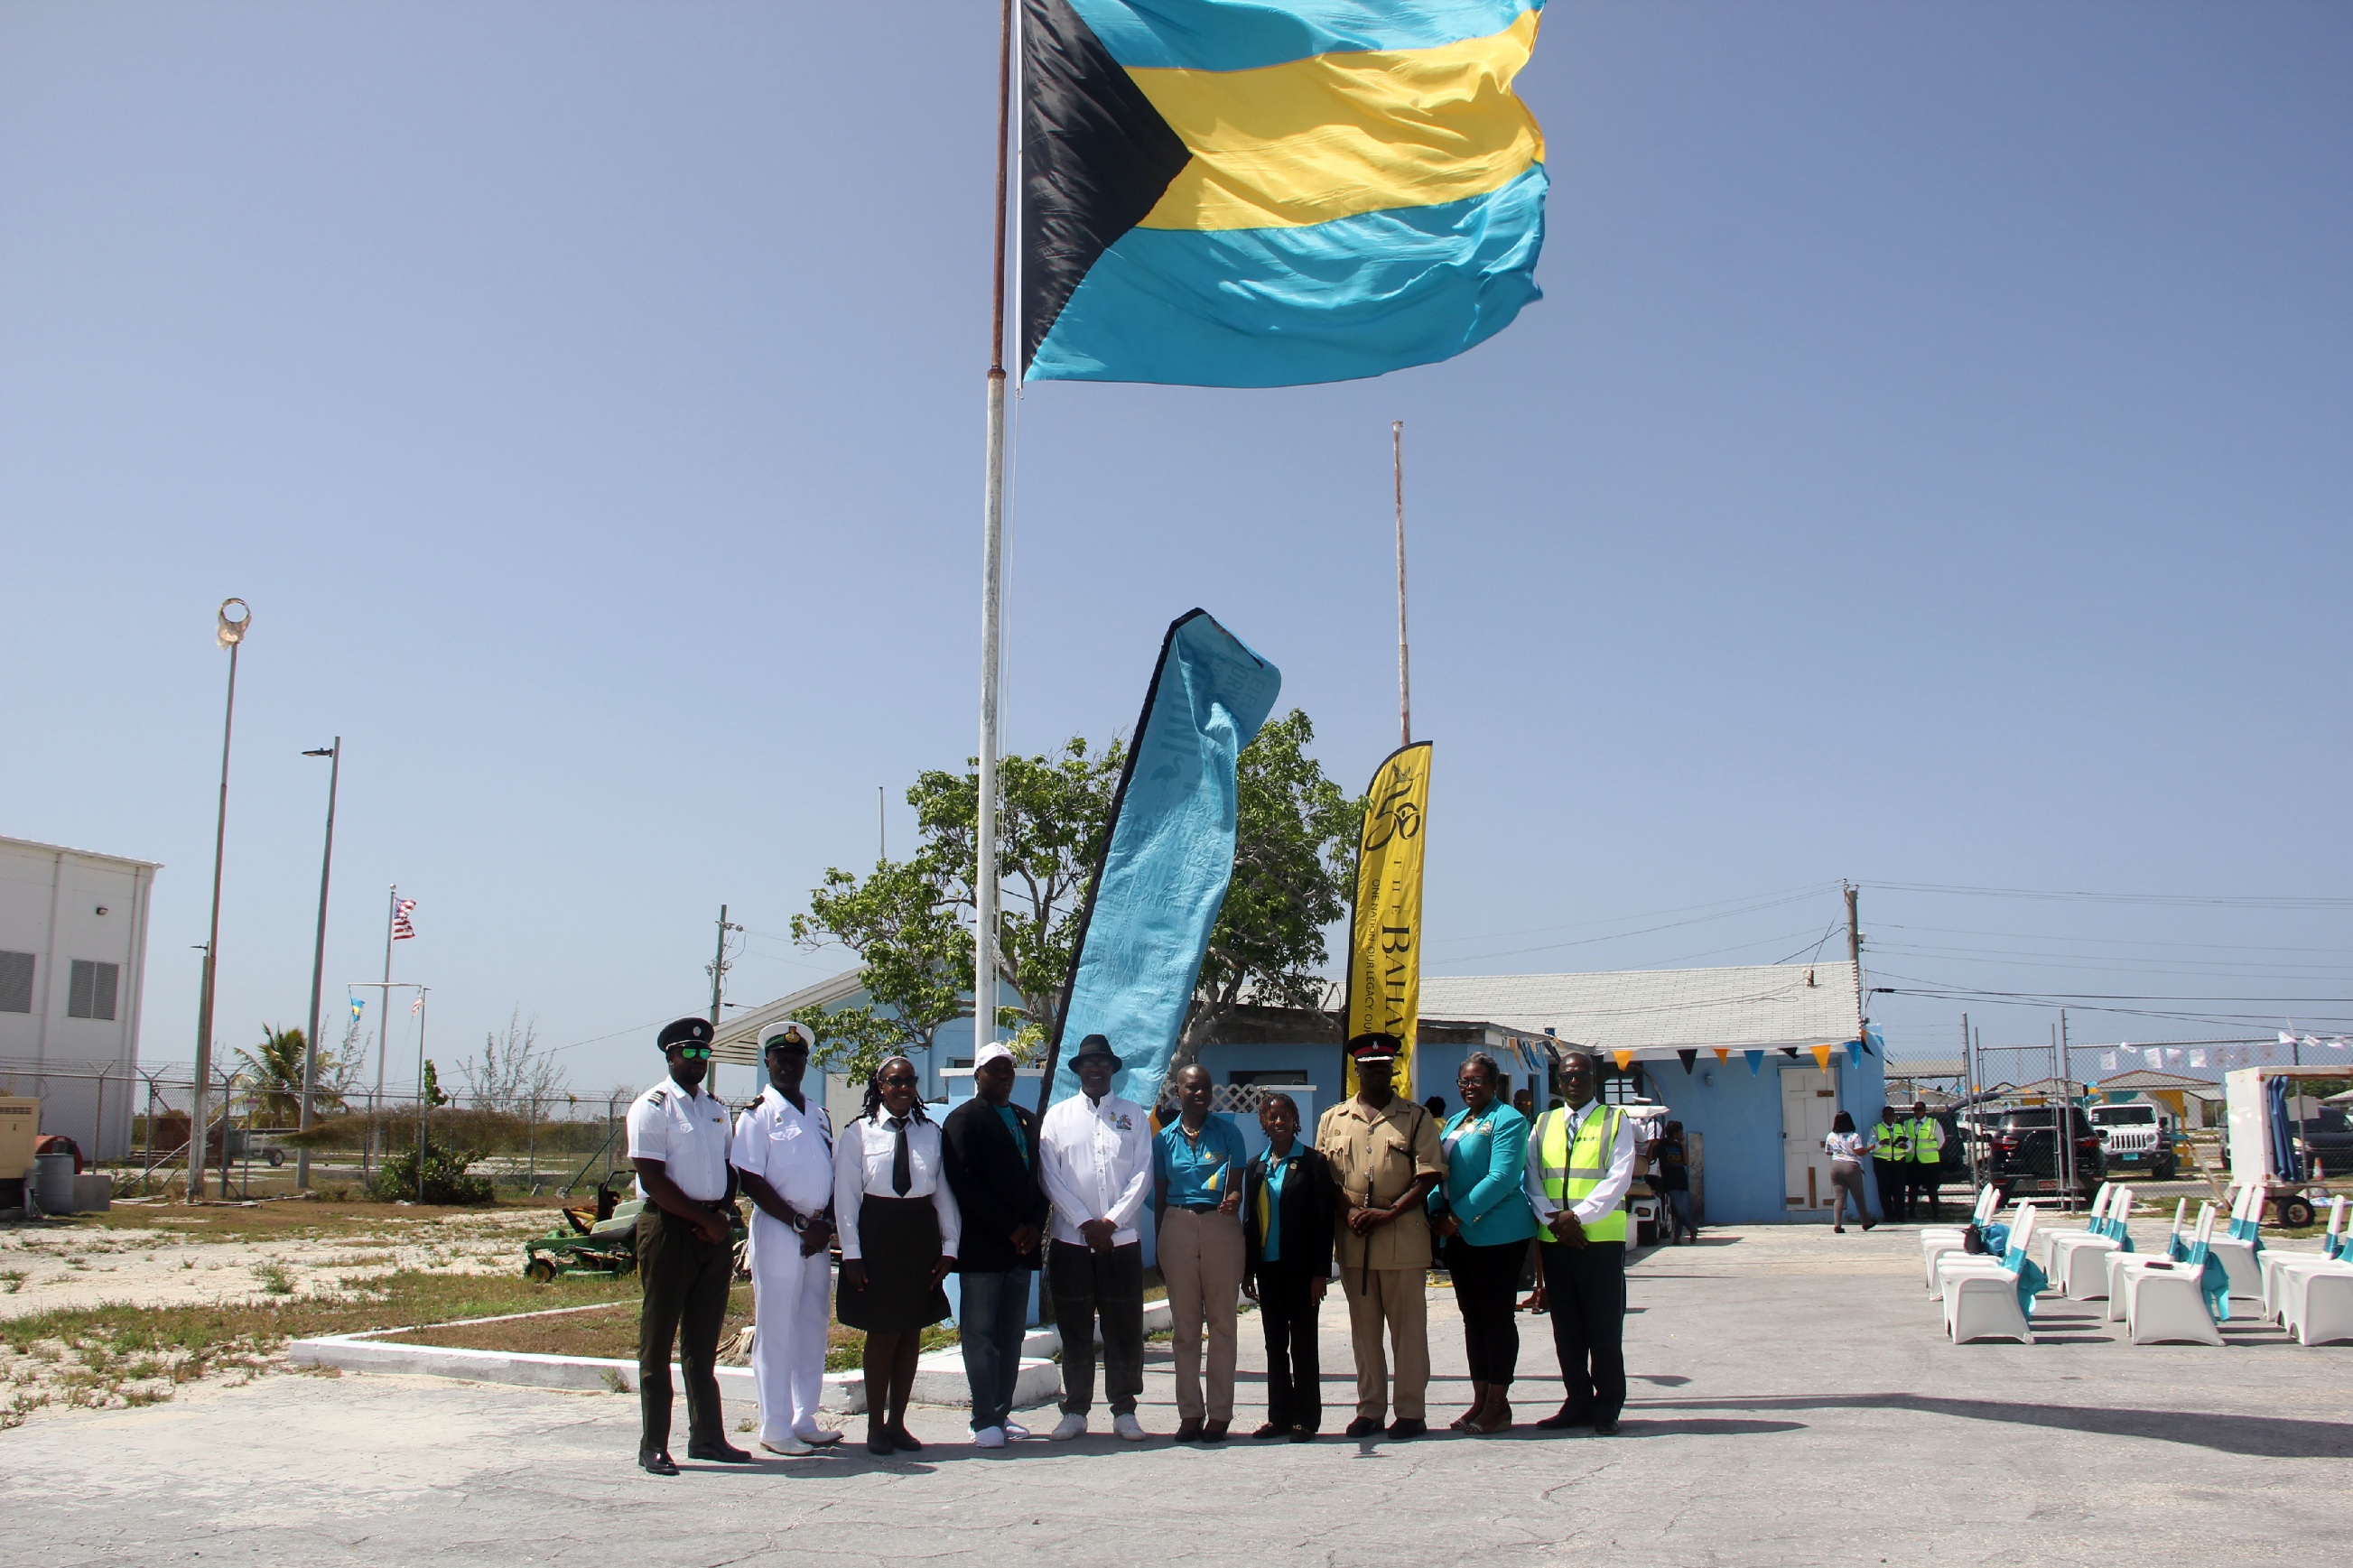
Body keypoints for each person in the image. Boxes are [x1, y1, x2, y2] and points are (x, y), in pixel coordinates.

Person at [627, 1016, 749, 1474]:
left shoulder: (715, 1108)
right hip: (668, 1229)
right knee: (658, 1339)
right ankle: (653, 1443)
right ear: (670, 1057)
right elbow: (653, 1179)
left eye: (704, 1054)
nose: (697, 1061)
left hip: (710, 1228)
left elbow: (728, 1167)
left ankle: (708, 1438)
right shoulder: (652, 1107)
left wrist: (719, 1216)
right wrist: (703, 1219)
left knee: (703, 1341)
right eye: (688, 1053)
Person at [1316, 1032, 1444, 1440]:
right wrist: (1351, 1211)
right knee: (1364, 1333)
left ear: (1393, 1070)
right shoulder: (1332, 1119)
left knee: (1408, 1334)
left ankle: (1410, 1411)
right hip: (1355, 1240)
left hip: (1402, 1239)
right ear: (1357, 1071)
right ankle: (1370, 1409)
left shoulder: (1417, 1118)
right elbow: (1325, 1180)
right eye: (1368, 1068)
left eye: (1383, 1068)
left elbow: (1428, 1178)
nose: (1376, 1074)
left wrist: (1388, 1213)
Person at [834, 1056, 961, 1457]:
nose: (903, 1087)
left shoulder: (930, 1133)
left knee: (911, 1331)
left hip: (918, 1237)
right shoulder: (858, 1134)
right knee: (883, 1332)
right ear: (880, 1085)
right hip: (877, 1236)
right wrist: (851, 1254)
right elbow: (846, 1199)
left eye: (910, 1080)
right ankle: (875, 1426)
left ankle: (898, 1424)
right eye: (894, 1081)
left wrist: (950, 1246)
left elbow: (943, 1193)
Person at [730, 1024, 842, 1457]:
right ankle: (774, 1425)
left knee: (813, 1325)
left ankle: (803, 1416)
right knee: (776, 1326)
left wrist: (824, 1222)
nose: (790, 1065)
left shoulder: (817, 1113)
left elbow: (827, 1172)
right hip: (780, 1231)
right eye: (782, 1058)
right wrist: (798, 1222)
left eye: (797, 1059)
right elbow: (750, 1179)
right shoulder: (757, 1114)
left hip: (815, 1234)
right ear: (768, 1062)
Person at [1037, 1034, 1152, 1443]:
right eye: (1089, 1064)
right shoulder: (1057, 1118)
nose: (1096, 1069)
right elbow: (1050, 1178)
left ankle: (1124, 1409)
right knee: (1074, 1329)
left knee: (1123, 1327)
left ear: (1112, 1070)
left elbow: (1142, 1175)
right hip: (1072, 1243)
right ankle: (1076, 1410)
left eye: (1103, 1063)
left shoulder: (1133, 1116)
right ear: (1079, 1071)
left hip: (1121, 1243)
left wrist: (1111, 1223)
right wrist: (1087, 1223)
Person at [941, 1041, 1048, 1449]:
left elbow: (1043, 1178)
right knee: (980, 1334)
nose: (1003, 1077)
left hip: (1022, 1249)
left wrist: (1034, 1226)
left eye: (1009, 1071)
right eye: (995, 1070)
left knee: (1011, 1335)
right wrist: (1010, 1228)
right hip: (986, 1247)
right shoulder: (963, 1120)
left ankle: (1001, 1415)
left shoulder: (1026, 1120)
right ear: (978, 1075)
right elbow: (965, 1184)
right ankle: (982, 1417)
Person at [1524, 1047, 1636, 1435]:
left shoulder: (1615, 1121)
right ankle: (1576, 1401)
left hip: (1598, 1240)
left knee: (1604, 1327)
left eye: (1582, 1075)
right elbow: (1532, 1177)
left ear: (1596, 1080)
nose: (1574, 1081)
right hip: (1555, 1239)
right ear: (1559, 1081)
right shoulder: (1544, 1122)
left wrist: (1579, 1217)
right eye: (1568, 1076)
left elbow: (1618, 1176)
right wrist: (1553, 1218)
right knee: (1566, 1328)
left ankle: (1606, 1407)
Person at [1428, 1052, 1538, 1435]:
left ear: (1494, 1084)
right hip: (1459, 1238)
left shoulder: (1508, 1120)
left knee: (1496, 1319)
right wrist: (1434, 1211)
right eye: (1463, 1081)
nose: (1469, 1087)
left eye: (1477, 1081)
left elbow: (1503, 1177)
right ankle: (1480, 1399)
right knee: (1472, 1320)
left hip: (1498, 1235)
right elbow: (1441, 1173)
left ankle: (1499, 1403)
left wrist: (1456, 1216)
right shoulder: (1457, 1121)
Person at [1154, 1063, 1249, 1442]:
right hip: (1176, 1227)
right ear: (1178, 1092)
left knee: (1223, 1324)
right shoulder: (1164, 1140)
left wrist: (1234, 1200)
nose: (1200, 1093)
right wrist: (1161, 1245)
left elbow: (1237, 1186)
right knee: (1186, 1330)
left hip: (1220, 1228)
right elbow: (1160, 1194)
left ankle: (1220, 1415)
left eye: (1206, 1087)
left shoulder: (1229, 1133)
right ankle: (1190, 1414)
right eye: (1192, 1087)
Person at [1242, 1091, 1335, 1443]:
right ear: (1263, 1122)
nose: (1278, 1121)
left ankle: (1306, 1419)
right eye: (1271, 1116)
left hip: (1302, 1272)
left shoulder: (1312, 1163)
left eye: (1284, 1116)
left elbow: (1324, 1222)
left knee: (1304, 1344)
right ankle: (1278, 1416)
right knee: (1274, 1345)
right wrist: (1248, 1269)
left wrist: (1319, 1274)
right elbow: (1250, 1221)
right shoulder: (1257, 1166)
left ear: (1294, 1120)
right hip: (1269, 1270)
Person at [1823, 1110, 1874, 1234]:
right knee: (1858, 1196)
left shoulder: (1831, 1136)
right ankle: (1866, 1221)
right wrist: (1871, 1148)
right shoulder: (1854, 1136)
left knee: (1839, 1198)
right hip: (1851, 1166)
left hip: (1836, 1166)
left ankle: (1837, 1224)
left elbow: (1828, 1152)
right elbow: (1860, 1152)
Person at [1869, 1105, 1911, 1222]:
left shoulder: (1901, 1128)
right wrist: (1880, 1143)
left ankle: (1901, 1215)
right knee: (1884, 1190)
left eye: (1890, 1115)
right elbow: (1870, 1147)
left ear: (1894, 1116)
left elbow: (1910, 1145)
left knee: (1899, 1189)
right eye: (1885, 1115)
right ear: (1882, 1116)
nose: (1888, 1117)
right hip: (1882, 1162)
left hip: (1898, 1162)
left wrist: (1905, 1147)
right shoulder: (1876, 1128)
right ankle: (1889, 1215)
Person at [1654, 1120, 1694, 1244]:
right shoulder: (1662, 1144)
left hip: (1681, 1179)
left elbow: (1686, 1162)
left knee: (1682, 1210)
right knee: (1679, 1209)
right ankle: (1692, 1229)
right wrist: (1651, 1145)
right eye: (1680, 1131)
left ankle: (1677, 1237)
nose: (1682, 1133)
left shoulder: (1678, 1145)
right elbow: (1652, 1157)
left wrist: (1683, 1145)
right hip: (1670, 1181)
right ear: (1675, 1132)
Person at [1909, 1101, 1947, 1220]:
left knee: (1932, 1189)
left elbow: (1941, 1141)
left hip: (1930, 1161)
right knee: (1913, 1188)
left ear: (1925, 1110)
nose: (1917, 1111)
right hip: (1913, 1160)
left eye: (1919, 1109)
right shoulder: (1908, 1123)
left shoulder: (1933, 1123)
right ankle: (1911, 1214)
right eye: (1915, 1109)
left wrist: (1931, 1150)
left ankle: (1936, 1214)